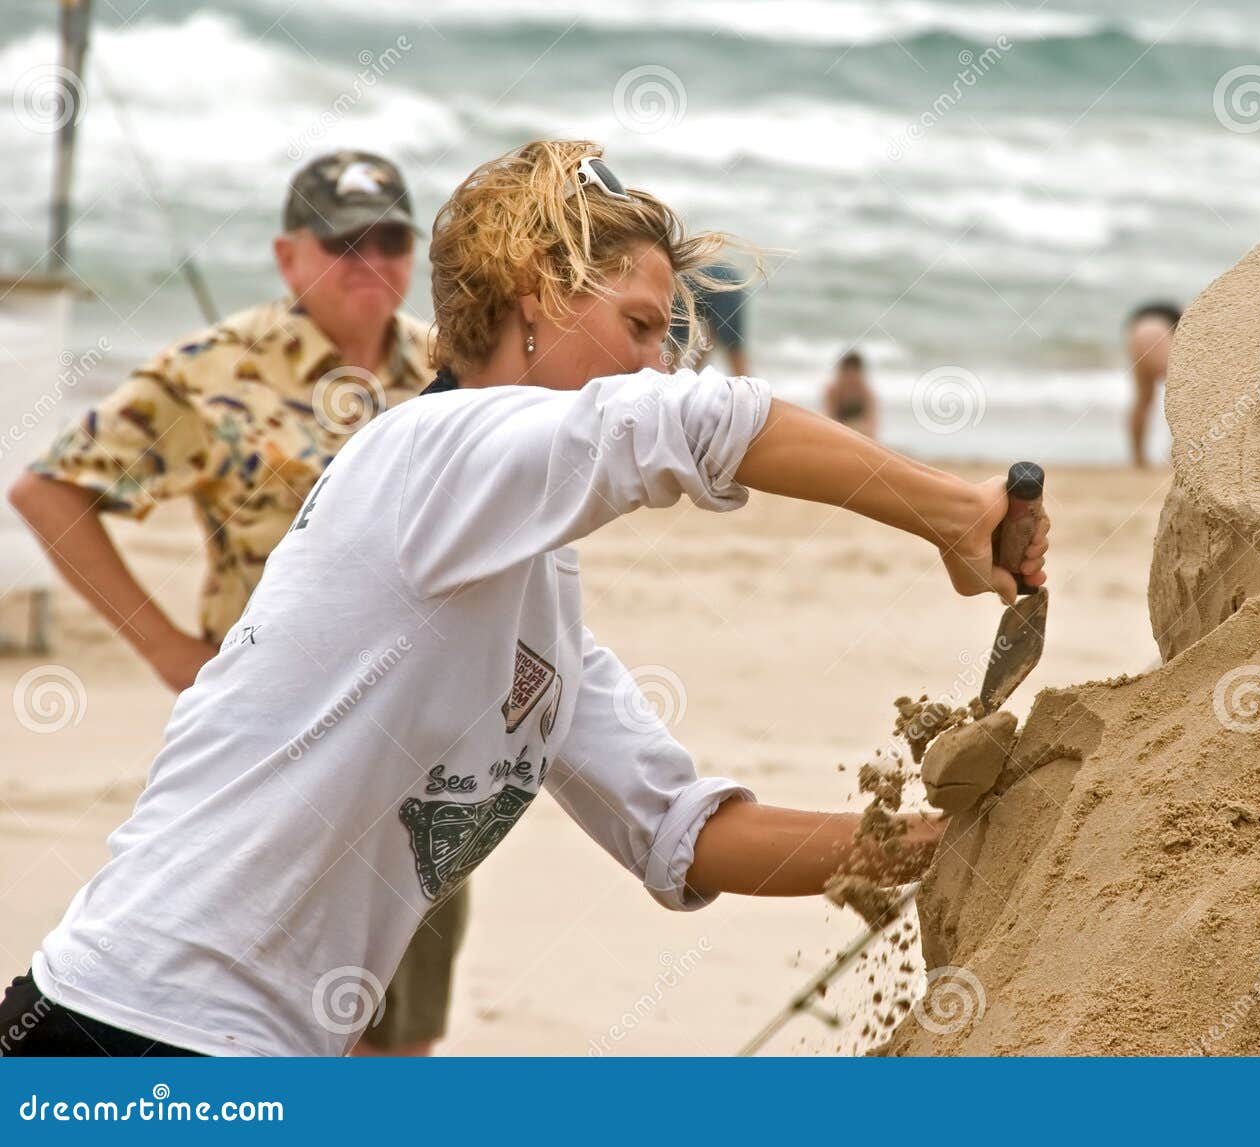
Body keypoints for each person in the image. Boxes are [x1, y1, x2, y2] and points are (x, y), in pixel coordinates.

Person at [0, 140, 1048, 1057]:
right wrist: (952, 513)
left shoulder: (532, 605)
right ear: (538, 290)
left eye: (666, 340)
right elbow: (699, 423)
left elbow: (678, 833)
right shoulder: (423, 453)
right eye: (639, 325)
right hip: (122, 1037)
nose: (652, 362)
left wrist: (940, 846)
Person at [6, 150, 466, 1058]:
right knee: (248, 1027)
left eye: (391, 239)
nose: (371, 261)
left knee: (401, 1040)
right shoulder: (215, 372)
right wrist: (170, 650)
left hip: (424, 756)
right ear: (289, 256)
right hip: (273, 755)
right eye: (344, 244)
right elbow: (50, 492)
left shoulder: (452, 374)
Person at [1124, 301, 1182, 468]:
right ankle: (1176, 457)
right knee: (1180, 395)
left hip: (1136, 332)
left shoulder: (1153, 312)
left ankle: (1138, 458)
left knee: (1143, 399)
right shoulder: (1185, 312)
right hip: (1157, 333)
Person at [667, 261, 751, 375]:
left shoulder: (673, 295)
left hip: (724, 284)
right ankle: (693, 377)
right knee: (715, 341)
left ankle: (747, 385)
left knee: (732, 347)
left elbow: (674, 348)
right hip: (717, 279)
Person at [822, 349, 878, 439]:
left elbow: (872, 428)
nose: (850, 379)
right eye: (847, 373)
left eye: (854, 373)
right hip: (837, 437)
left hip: (862, 438)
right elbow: (828, 422)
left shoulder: (866, 393)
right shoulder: (833, 391)